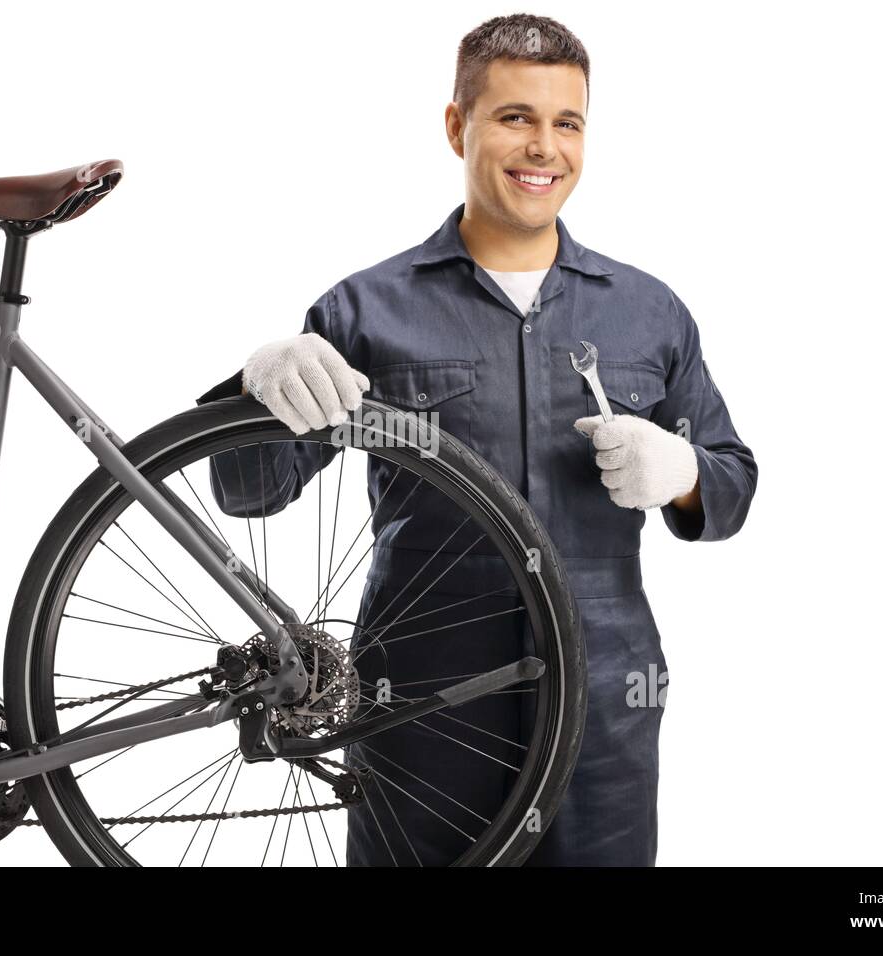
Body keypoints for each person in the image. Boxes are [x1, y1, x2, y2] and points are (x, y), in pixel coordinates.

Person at [195, 13, 757, 866]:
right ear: (458, 126)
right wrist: (253, 386)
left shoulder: (648, 312)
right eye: (514, 117)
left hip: (604, 707)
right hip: (419, 709)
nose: (544, 148)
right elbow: (248, 490)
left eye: (566, 122)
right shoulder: (365, 311)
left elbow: (732, 485)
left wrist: (682, 472)